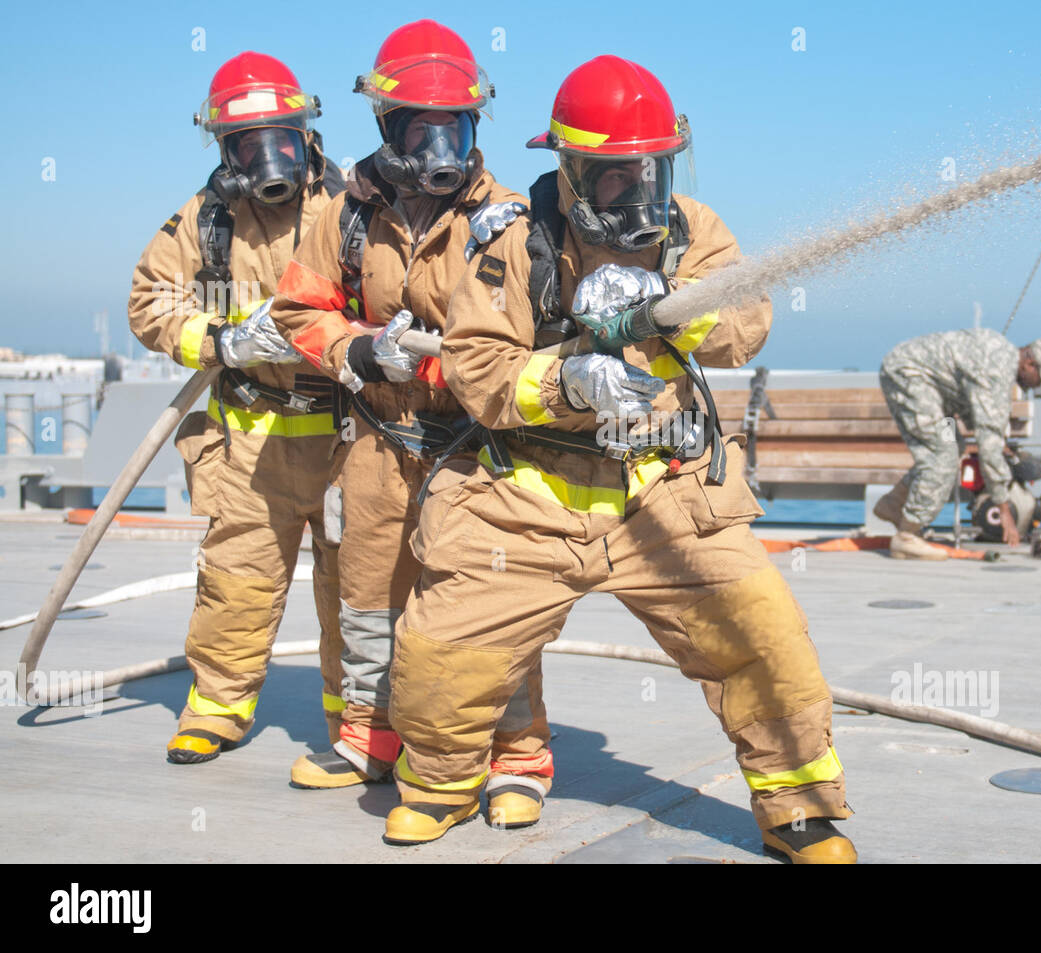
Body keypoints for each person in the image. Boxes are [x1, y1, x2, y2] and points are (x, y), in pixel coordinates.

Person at [383, 55, 857, 864]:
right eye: (612, 180)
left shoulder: (695, 232)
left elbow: (747, 322)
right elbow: (479, 373)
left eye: (650, 172)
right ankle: (439, 784)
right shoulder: (511, 248)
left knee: (766, 634)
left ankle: (801, 809)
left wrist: (670, 315)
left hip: (663, 492)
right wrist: (569, 377)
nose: (635, 194)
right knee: (437, 661)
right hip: (525, 495)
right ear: (570, 176)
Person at [270, 20, 552, 827]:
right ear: (387, 129)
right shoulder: (348, 215)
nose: (441, 146)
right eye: (421, 129)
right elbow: (300, 308)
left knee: (484, 596)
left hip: (474, 447)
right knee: (369, 592)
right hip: (377, 439)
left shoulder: (502, 216)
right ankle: (372, 734)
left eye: (455, 128)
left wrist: (432, 362)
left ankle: (516, 751)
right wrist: (361, 352)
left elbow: (515, 338)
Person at [127, 52, 345, 763]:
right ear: (225, 149)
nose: (267, 157)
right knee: (237, 580)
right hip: (252, 443)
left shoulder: (351, 205)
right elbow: (151, 301)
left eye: (279, 139)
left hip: (351, 439)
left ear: (305, 132)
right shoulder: (206, 219)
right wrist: (221, 340)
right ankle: (217, 706)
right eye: (247, 145)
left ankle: (359, 719)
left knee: (361, 588)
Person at [874, 330, 1041, 559]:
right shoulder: (998, 372)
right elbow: (988, 446)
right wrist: (1004, 508)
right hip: (909, 376)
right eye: (1039, 379)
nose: (1035, 386)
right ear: (1030, 364)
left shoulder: (1000, 350)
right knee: (942, 454)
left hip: (927, 387)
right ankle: (906, 537)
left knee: (955, 446)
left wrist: (996, 442)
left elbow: (977, 413)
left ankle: (895, 504)